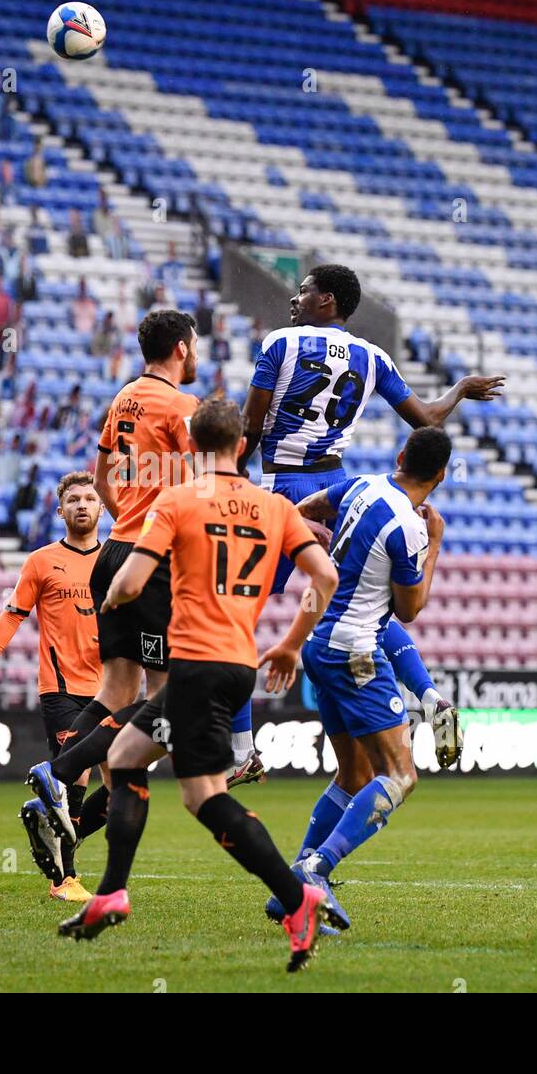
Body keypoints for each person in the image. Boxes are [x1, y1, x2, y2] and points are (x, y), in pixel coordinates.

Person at [56, 394, 343, 972]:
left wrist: (112, 597)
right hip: (236, 667)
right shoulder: (275, 507)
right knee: (129, 755)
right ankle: (113, 892)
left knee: (203, 796)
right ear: (242, 447)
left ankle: (296, 897)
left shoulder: (178, 499)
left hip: (194, 666)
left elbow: (132, 582)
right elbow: (326, 574)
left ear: (191, 447)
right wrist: (290, 642)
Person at [233, 264, 505, 769]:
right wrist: (461, 389)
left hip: (283, 486)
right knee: (365, 608)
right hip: (337, 488)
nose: (295, 298)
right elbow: (426, 418)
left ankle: (241, 749)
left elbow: (250, 426)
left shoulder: (281, 344)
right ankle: (428, 698)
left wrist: (230, 482)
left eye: (304, 290)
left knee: (232, 605)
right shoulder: (372, 356)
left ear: (327, 300)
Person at [263, 429, 460, 925]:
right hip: (355, 654)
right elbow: (410, 610)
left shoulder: (358, 486)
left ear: (399, 458)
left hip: (320, 646)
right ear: (439, 477)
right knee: (399, 775)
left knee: (352, 776)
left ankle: (289, 889)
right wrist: (434, 544)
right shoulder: (411, 530)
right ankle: (316, 868)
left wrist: (321, 543)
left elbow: (304, 507)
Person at [25, 311, 201, 839]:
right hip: (151, 559)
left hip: (114, 551)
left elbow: (101, 477)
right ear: (180, 348)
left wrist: (129, 511)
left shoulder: (124, 397)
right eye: (194, 346)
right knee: (166, 707)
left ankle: (58, 787)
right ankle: (59, 776)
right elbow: (202, 487)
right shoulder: (180, 405)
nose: (197, 355)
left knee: (116, 690)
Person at [0, 472, 105, 903]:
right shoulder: (42, 561)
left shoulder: (119, 560)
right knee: (74, 779)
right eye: (73, 500)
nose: (82, 505)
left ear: (102, 508)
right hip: (62, 689)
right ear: (59, 510)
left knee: (126, 790)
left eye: (90, 498)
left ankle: (46, 824)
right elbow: (13, 614)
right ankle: (64, 880)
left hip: (112, 690)